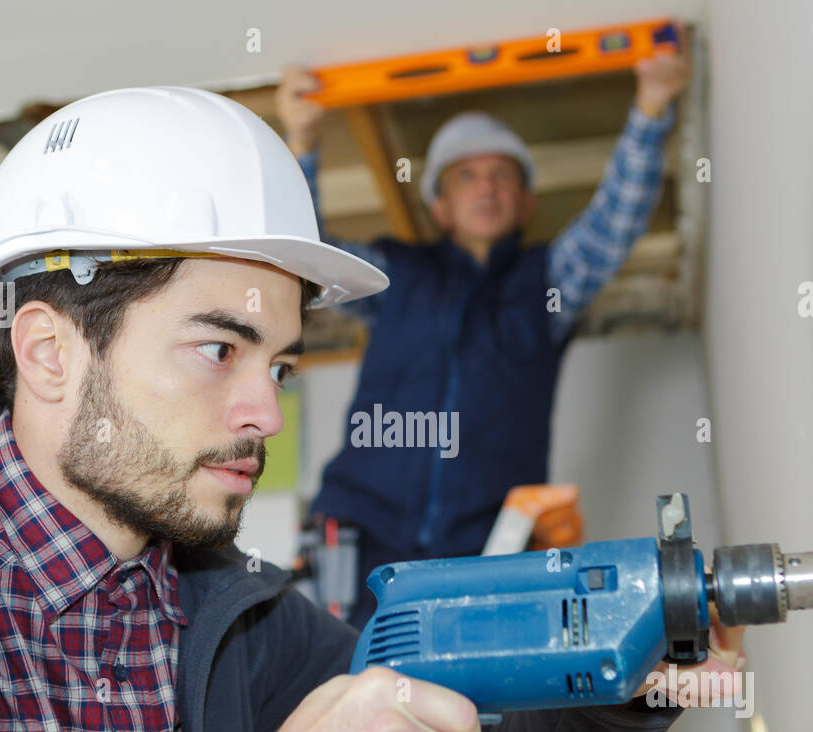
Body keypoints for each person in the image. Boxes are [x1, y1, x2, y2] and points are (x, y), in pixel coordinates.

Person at [0, 84, 744, 732]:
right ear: (50, 351)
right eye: (216, 350)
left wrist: (631, 679)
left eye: (276, 364)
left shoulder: (238, 618)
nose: (266, 413)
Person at [278, 22, 694, 630]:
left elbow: (613, 225)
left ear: (526, 203)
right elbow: (304, 252)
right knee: (343, 689)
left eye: (502, 176)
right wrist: (303, 139)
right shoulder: (398, 275)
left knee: (476, 713)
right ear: (439, 207)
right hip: (361, 534)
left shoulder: (547, 283)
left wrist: (653, 107)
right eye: (467, 176)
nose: (487, 187)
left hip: (491, 546)